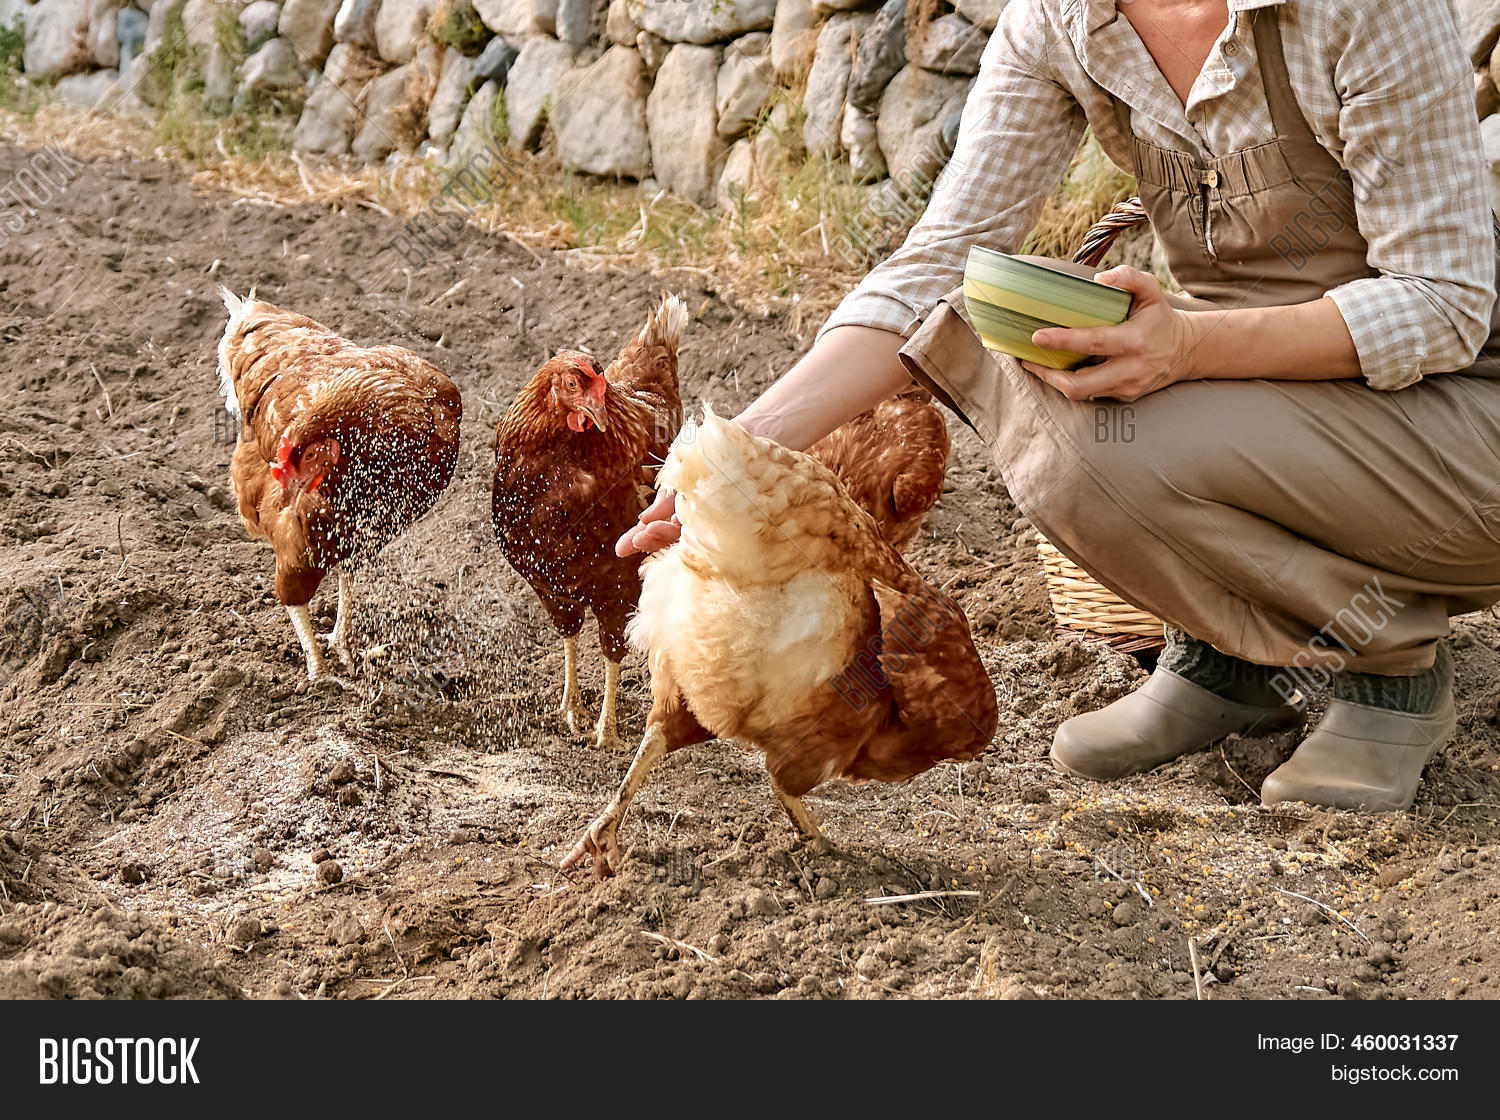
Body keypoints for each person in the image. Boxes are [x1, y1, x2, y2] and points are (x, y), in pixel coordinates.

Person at [617, 0, 1500, 813]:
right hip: (1272, 400)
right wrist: (736, 454)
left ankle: (1389, 671)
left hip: (1455, 415)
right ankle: (1232, 661)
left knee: (1094, 422)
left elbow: (1446, 301)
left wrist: (1189, 346)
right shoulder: (1063, 19)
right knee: (1048, 409)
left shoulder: (1363, 9)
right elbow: (939, 266)